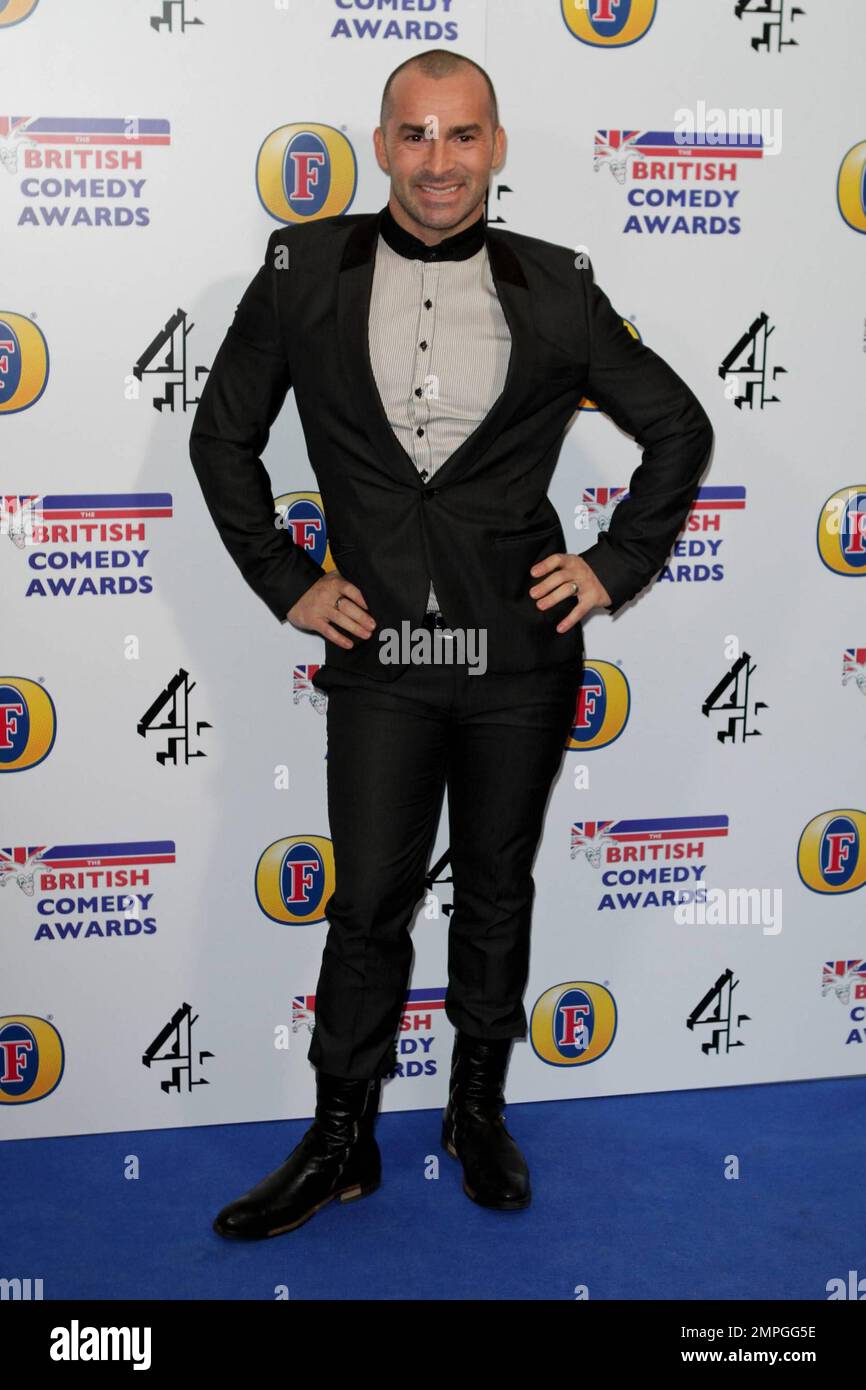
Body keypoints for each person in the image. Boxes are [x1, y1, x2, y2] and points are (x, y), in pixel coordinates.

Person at [189, 49, 714, 1239]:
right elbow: (223, 439)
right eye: (415, 136)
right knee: (368, 898)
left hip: (518, 657)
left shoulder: (558, 288)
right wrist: (286, 579)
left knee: (492, 889)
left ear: (496, 145)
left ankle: (475, 1108)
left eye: (462, 135)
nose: (439, 162)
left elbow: (677, 426)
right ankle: (341, 1139)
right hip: (379, 657)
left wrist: (610, 565)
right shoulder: (301, 270)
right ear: (379, 145)